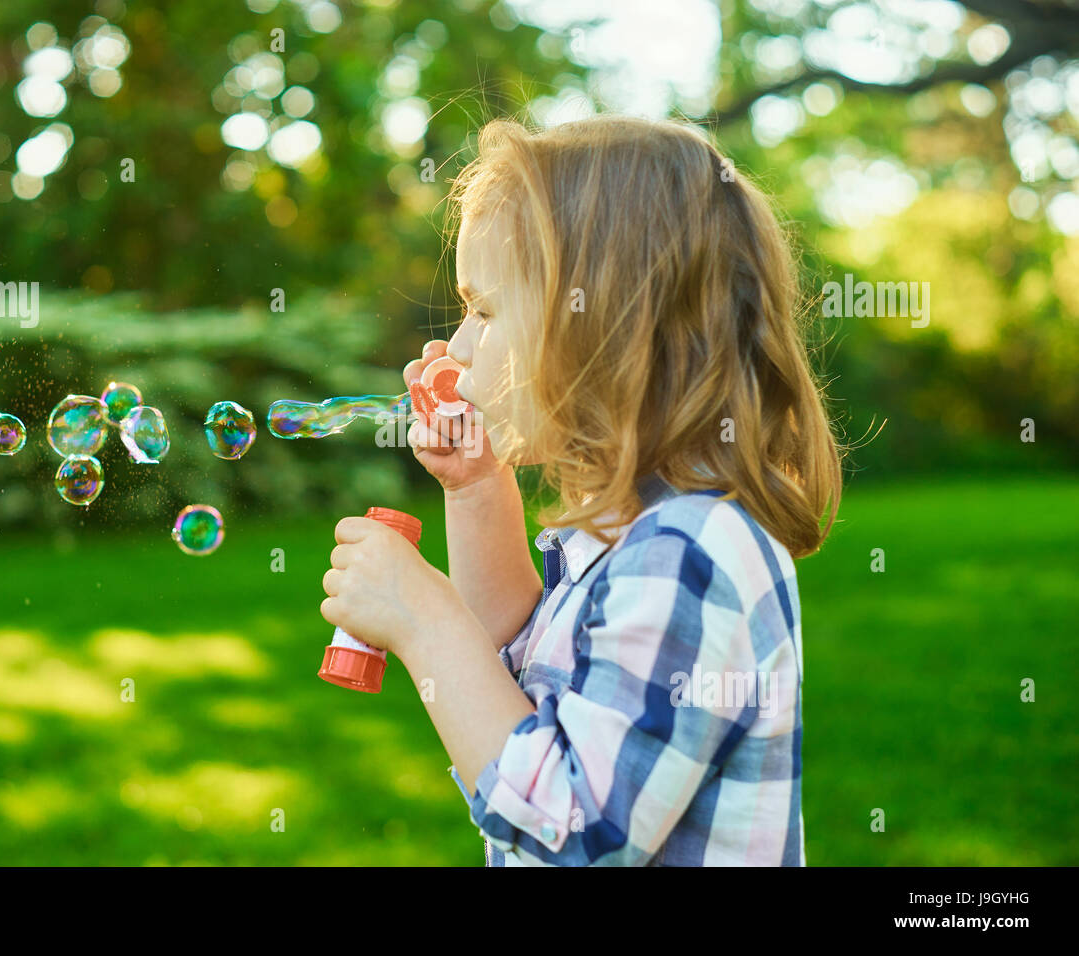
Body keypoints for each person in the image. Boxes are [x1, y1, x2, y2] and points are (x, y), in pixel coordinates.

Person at [320, 113, 842, 866]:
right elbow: (515, 659)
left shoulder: (688, 554)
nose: (456, 347)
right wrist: (475, 490)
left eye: (484, 310)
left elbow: (576, 834)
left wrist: (423, 619)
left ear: (608, 326)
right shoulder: (630, 534)